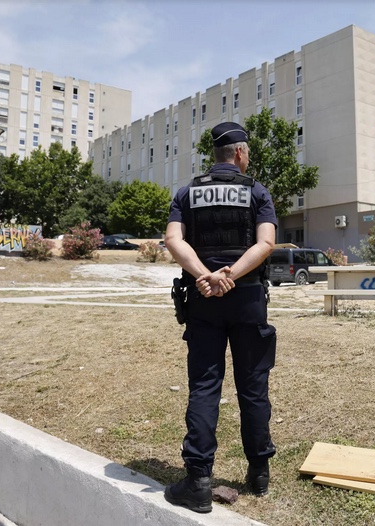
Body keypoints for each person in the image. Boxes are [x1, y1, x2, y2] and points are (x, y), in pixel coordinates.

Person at [163, 122, 278, 513]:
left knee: (206, 387)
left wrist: (206, 276)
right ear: (241, 155)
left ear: (215, 156)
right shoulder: (257, 192)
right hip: (246, 298)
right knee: (252, 386)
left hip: (204, 299)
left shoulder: (187, 192)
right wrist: (232, 274)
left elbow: (173, 240)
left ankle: (197, 480)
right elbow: (266, 243)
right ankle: (258, 472)